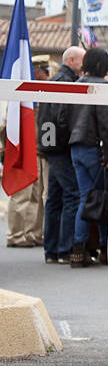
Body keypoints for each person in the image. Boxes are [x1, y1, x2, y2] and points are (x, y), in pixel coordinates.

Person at [68, 47, 108, 267]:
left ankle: (78, 250)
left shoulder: (75, 86)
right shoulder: (104, 87)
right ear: (102, 66)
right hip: (96, 149)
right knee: (105, 198)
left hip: (76, 147)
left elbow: (64, 117)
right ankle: (105, 249)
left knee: (86, 198)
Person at [38, 46, 84, 264]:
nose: (83, 66)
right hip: (61, 148)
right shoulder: (67, 82)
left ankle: (52, 250)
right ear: (72, 60)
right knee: (72, 195)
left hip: (51, 147)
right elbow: (62, 117)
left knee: (54, 199)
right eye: (81, 61)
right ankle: (64, 249)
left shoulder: (54, 81)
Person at [4, 56, 50, 248]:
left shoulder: (40, 94)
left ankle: (32, 232)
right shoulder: (20, 94)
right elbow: (8, 124)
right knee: (22, 193)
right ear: (36, 72)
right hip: (23, 149)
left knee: (35, 195)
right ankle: (15, 234)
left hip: (38, 150)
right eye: (45, 71)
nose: (48, 75)